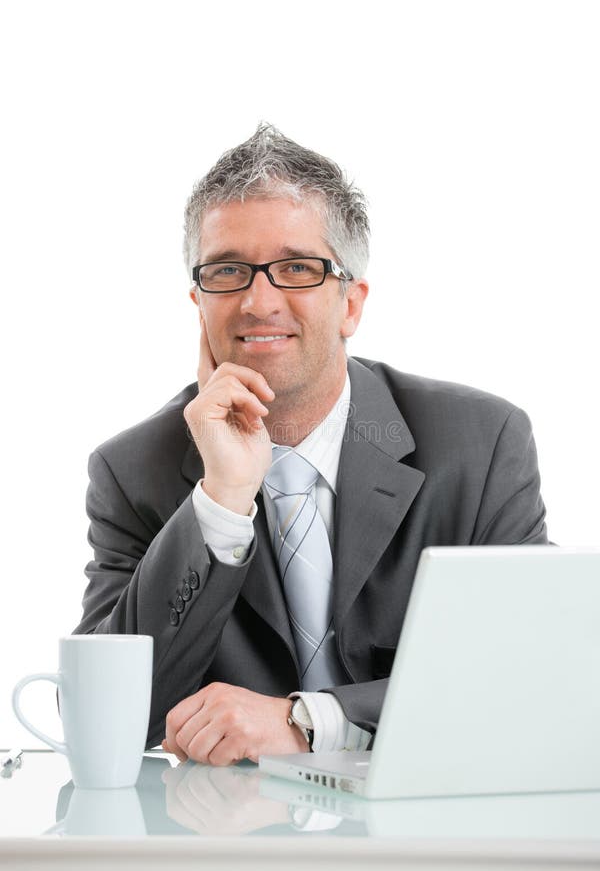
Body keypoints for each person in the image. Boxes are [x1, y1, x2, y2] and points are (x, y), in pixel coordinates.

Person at [74, 123, 549, 766]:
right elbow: (109, 719)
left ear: (351, 303)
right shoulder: (133, 471)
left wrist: (309, 721)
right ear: (199, 303)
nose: (257, 300)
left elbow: (533, 676)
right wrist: (222, 499)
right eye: (228, 271)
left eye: (296, 268)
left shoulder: (480, 444)